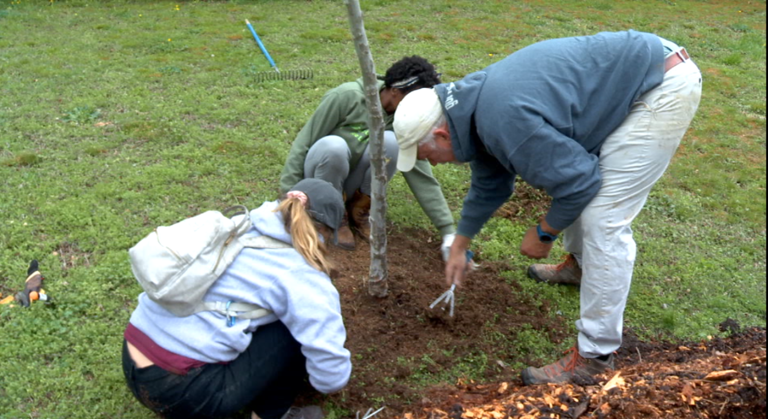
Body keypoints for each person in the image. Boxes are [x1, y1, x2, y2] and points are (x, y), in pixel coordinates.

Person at [392, 30, 702, 385]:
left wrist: (545, 232)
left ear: (442, 136)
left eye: (426, 154)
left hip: (660, 84)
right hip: (632, 73)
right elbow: (490, 183)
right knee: (578, 181)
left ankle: (595, 358)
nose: (432, 163)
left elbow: (580, 182)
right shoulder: (470, 110)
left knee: (603, 220)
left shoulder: (505, 120)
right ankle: (580, 267)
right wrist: (460, 244)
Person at [122, 178, 351, 419]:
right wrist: (325, 380)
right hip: (183, 393)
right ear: (323, 231)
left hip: (131, 358)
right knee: (292, 333)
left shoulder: (237, 225)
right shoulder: (302, 273)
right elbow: (330, 376)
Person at [279, 55, 458, 257]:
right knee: (333, 146)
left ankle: (359, 209)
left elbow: (420, 174)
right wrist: (287, 198)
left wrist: (448, 231)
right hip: (321, 177)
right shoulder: (346, 97)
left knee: (392, 142)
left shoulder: (405, 119)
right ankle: (330, 217)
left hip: (350, 184)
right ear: (395, 91)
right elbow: (304, 143)